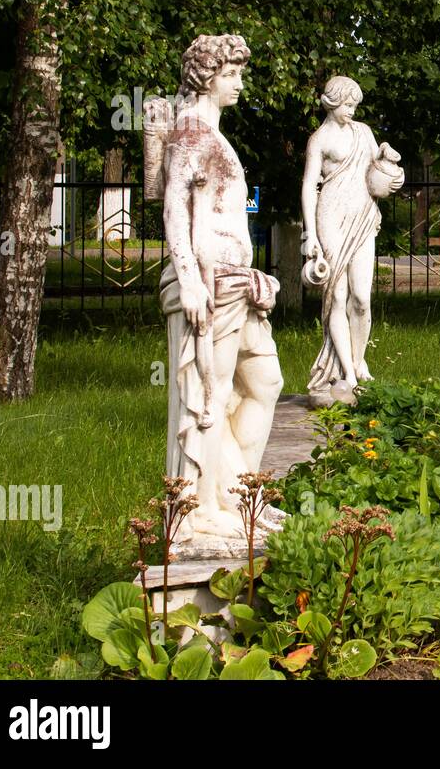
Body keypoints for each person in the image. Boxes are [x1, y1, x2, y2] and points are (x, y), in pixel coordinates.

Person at [152, 34, 284, 547]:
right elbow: (174, 213)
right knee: (211, 397)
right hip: (209, 285)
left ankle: (239, 496)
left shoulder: (211, 134)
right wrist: (187, 280)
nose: (239, 83)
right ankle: (208, 508)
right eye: (231, 74)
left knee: (265, 382)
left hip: (236, 284)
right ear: (207, 77)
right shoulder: (191, 135)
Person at [300, 76, 402, 405]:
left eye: (355, 106)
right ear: (331, 102)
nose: (351, 111)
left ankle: (359, 360)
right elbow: (308, 187)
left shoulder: (363, 133)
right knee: (336, 296)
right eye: (346, 105)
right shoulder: (320, 139)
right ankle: (348, 372)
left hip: (362, 217)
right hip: (331, 219)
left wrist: (389, 161)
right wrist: (311, 235)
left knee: (360, 298)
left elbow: (377, 165)